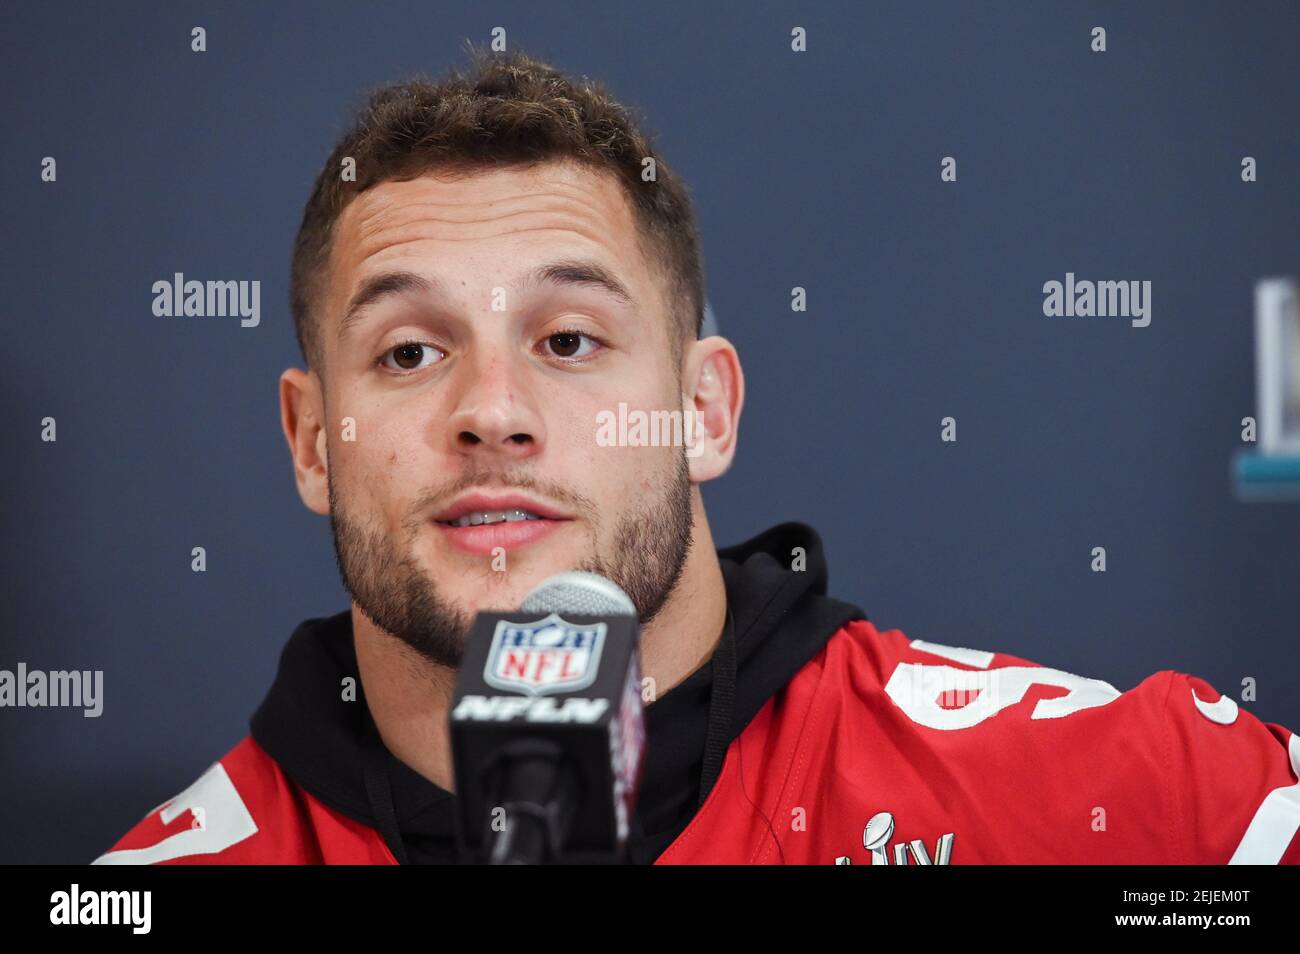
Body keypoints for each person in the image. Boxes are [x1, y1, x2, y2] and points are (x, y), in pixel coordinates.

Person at [95, 47, 1299, 865]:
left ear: (702, 413)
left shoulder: (1126, 799)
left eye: (568, 338)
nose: (493, 413)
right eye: (410, 354)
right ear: (312, 440)